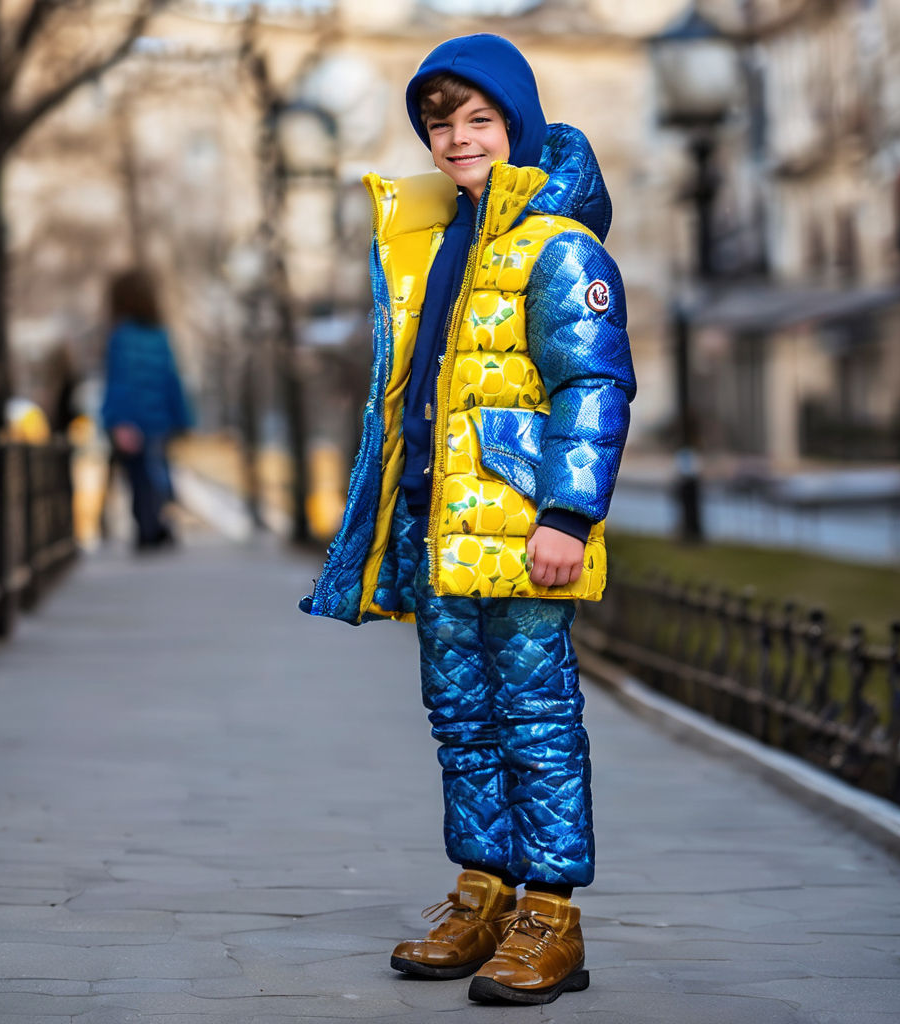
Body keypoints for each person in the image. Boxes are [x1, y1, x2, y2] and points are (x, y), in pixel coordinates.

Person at [300, 34, 635, 1006]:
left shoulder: (558, 245)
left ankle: (551, 914)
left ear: (516, 127)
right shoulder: (436, 241)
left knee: (534, 718)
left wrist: (569, 514)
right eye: (439, 123)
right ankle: (483, 892)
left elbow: (594, 384)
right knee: (460, 720)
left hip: (524, 525)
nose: (455, 139)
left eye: (476, 120)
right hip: (436, 528)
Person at [101, 269, 192, 551]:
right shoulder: (161, 336)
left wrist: (116, 420)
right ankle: (157, 526)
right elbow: (172, 380)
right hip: (159, 421)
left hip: (133, 423)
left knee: (139, 478)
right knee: (156, 471)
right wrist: (182, 418)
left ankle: (147, 530)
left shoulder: (120, 337)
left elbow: (119, 383)